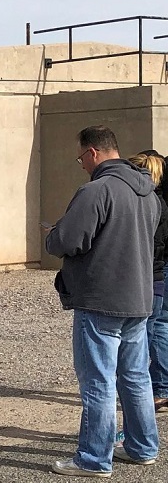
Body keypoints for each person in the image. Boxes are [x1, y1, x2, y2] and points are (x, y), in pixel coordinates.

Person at [45, 126, 160, 475]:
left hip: (101, 298)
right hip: (139, 297)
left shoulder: (96, 190)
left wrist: (54, 235)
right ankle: (143, 447)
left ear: (93, 152)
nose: (82, 164)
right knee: (137, 377)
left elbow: (69, 240)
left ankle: (94, 458)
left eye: (82, 157)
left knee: (98, 381)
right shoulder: (149, 194)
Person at [132, 151, 168, 413]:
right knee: (160, 326)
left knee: (143, 333)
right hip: (160, 270)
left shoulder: (152, 202)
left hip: (151, 273)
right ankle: (162, 387)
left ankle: (147, 393)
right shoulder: (158, 201)